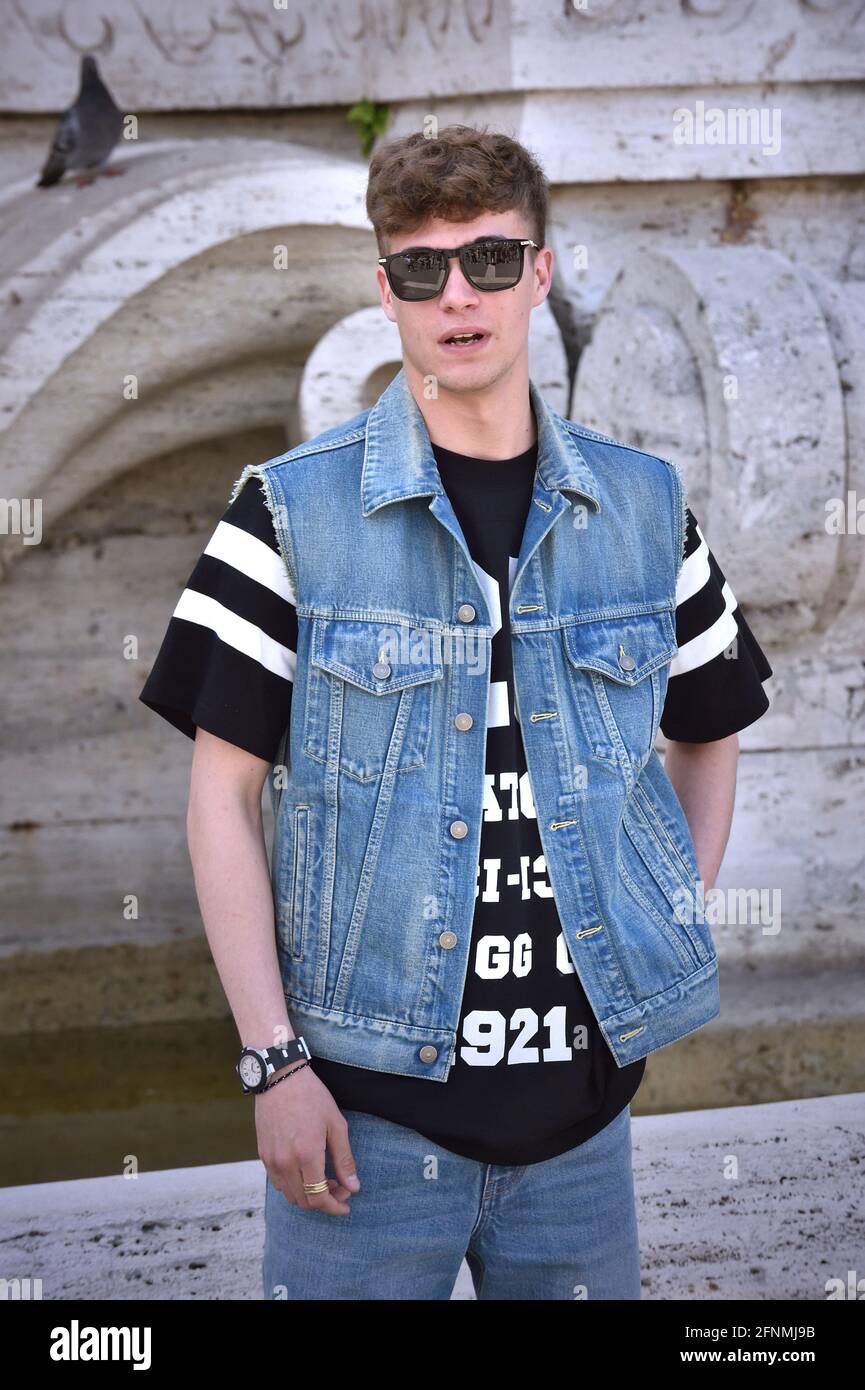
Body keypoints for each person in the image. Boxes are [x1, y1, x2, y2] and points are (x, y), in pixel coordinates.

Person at [139, 125, 772, 1300]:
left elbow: (707, 731)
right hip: (365, 1128)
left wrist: (646, 923)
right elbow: (219, 801)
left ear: (540, 271)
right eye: (423, 269)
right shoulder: (286, 514)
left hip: (580, 1125)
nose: (458, 295)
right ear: (387, 292)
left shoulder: (644, 508)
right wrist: (275, 1064)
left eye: (490, 258)